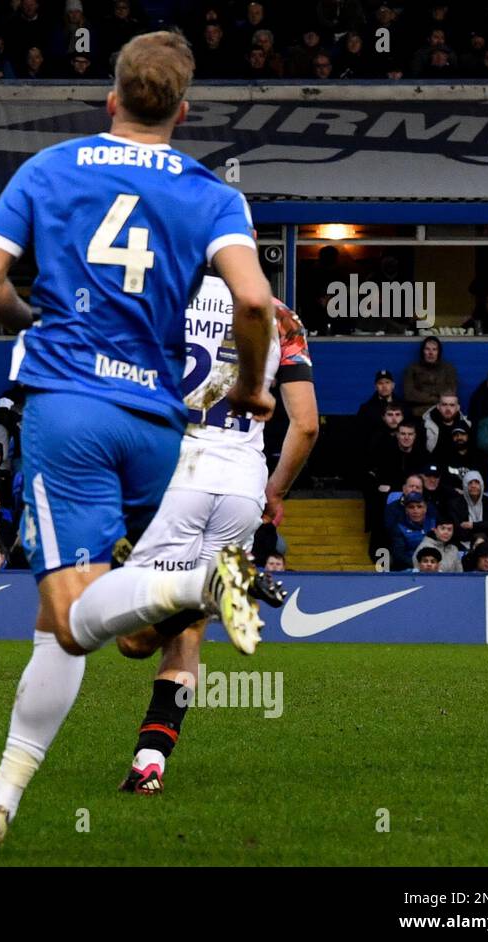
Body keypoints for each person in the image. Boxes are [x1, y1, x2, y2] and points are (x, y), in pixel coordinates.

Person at [0, 32, 276, 856]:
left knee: (63, 614)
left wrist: (28, 322)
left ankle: (199, 577)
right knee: (114, 632)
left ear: (111, 97)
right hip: (159, 425)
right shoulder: (211, 192)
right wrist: (252, 385)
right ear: (184, 112)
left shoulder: (52, 166)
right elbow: (255, 303)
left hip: (69, 409)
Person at [112, 290, 316, 793]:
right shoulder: (282, 316)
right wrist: (274, 492)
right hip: (242, 486)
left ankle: (209, 588)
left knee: (132, 641)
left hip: (177, 477)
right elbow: (307, 426)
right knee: (188, 634)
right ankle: (150, 762)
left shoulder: (163, 297)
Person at [447, 470, 488, 548]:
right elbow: (458, 530)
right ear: (465, 486)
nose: (473, 486)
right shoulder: (455, 504)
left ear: (482, 485)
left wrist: (473, 525)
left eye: (477, 482)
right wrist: (485, 527)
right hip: (463, 544)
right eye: (470, 483)